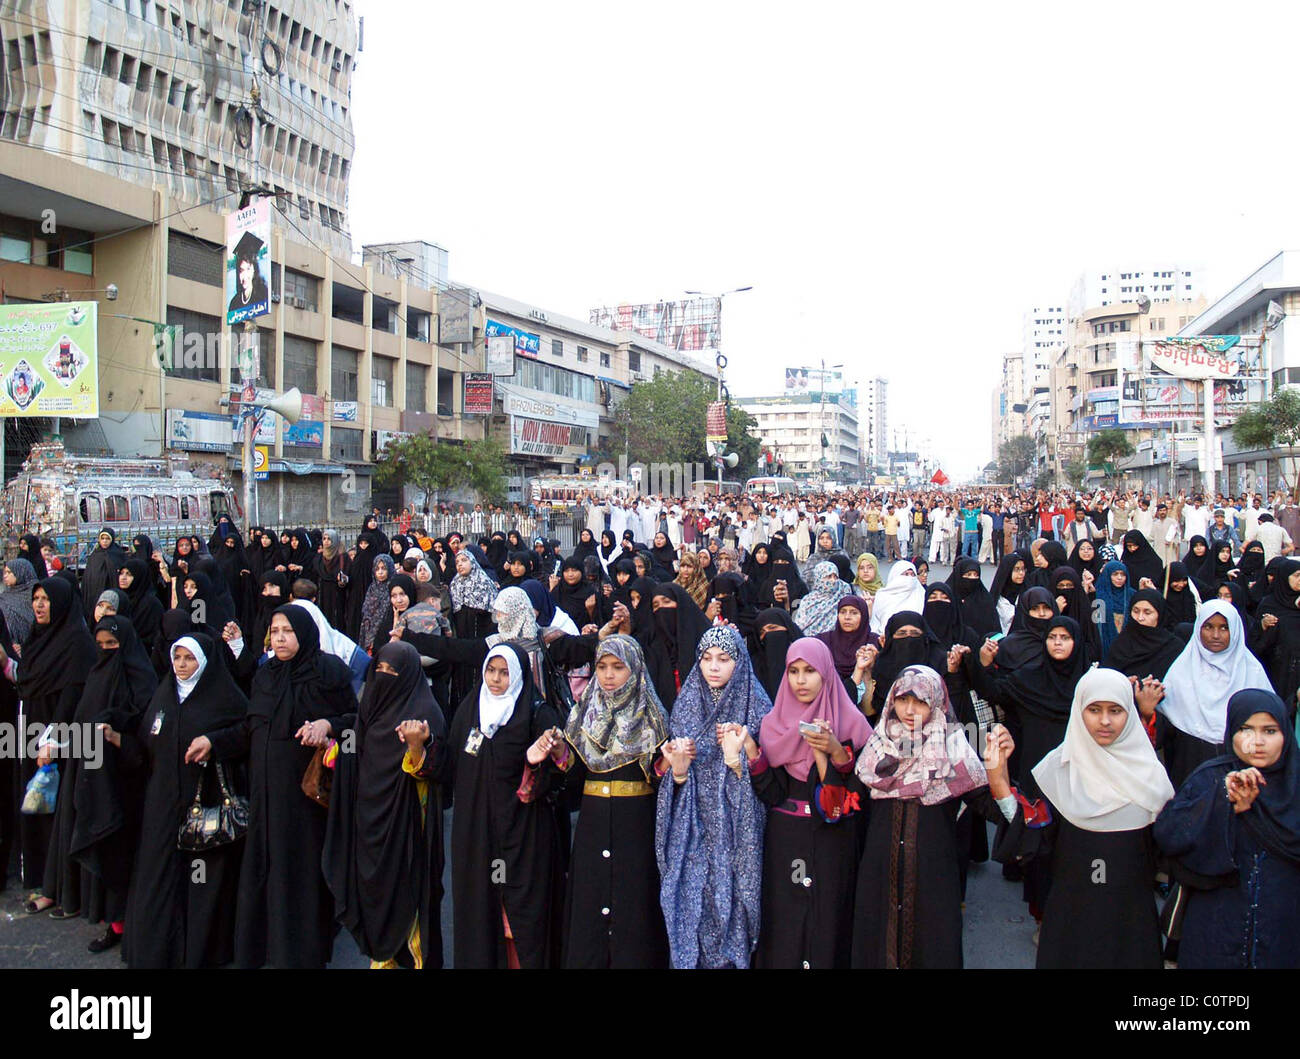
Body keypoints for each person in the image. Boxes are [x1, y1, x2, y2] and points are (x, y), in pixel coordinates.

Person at [993, 667, 1172, 968]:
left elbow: (1169, 850)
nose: (1104, 721)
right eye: (1094, 709)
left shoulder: (1151, 777)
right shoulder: (1057, 771)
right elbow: (1033, 842)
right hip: (1070, 921)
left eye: (1115, 710)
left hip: (1131, 924)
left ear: (1129, 712)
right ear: (1079, 711)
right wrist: (999, 780)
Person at [846, 666, 1012, 967]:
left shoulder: (954, 751)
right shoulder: (876, 749)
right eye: (902, 700)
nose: (910, 710)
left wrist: (999, 776)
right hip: (879, 872)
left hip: (934, 876)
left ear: (936, 703)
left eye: (920, 702)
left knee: (932, 944)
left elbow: (993, 809)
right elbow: (849, 805)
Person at [526, 635, 671, 968]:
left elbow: (659, 779)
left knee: (634, 911)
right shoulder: (583, 715)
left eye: (618, 667)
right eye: (602, 667)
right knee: (590, 911)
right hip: (591, 830)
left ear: (634, 670)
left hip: (635, 829)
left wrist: (669, 767)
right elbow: (574, 782)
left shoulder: (652, 718)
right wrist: (561, 754)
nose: (608, 675)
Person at [230, 605, 359, 968]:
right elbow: (249, 727)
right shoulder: (265, 675)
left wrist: (329, 726)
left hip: (304, 802)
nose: (280, 638)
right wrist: (214, 741)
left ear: (304, 632)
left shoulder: (328, 672)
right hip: (265, 795)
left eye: (288, 630)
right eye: (275, 630)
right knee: (264, 868)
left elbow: (357, 725)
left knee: (301, 873)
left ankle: (304, 953)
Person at [121, 634, 249, 968]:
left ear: (203, 662)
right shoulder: (164, 694)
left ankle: (199, 951)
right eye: (176, 657)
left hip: (202, 804)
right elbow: (146, 743)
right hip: (162, 803)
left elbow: (245, 733)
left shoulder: (222, 696)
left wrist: (214, 742)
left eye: (188, 659)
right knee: (158, 874)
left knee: (202, 879)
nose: (181, 665)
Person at [749, 637, 873, 968]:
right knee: (790, 909)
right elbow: (772, 793)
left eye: (810, 671)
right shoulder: (773, 726)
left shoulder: (852, 723)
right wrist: (752, 756)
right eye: (794, 671)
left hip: (833, 841)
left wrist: (836, 752)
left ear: (827, 674)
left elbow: (862, 789)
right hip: (788, 842)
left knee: (828, 913)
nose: (801, 681)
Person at [1154, 689, 1300, 968]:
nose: (1257, 742)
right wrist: (1223, 801)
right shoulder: (1211, 777)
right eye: (1246, 729)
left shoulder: (1295, 783)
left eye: (1269, 731)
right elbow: (1169, 836)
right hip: (1216, 926)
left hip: (1285, 927)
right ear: (1231, 730)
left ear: (1286, 733)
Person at [323, 641, 447, 968]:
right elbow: (358, 747)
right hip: (370, 828)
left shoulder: (425, 713)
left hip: (406, 834)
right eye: (379, 670)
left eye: (393, 672)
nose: (384, 676)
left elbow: (439, 770)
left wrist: (417, 748)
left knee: (409, 914)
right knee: (376, 906)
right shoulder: (372, 710)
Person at [656, 625, 771, 969]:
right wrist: (678, 769)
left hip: (738, 833)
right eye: (706, 659)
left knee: (736, 903)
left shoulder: (758, 708)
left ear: (739, 662)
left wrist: (741, 757)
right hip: (693, 833)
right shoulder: (686, 707)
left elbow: (768, 781)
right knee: (694, 904)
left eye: (724, 659)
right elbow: (670, 780)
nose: (714, 667)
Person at [447, 644, 564, 968]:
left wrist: (536, 761)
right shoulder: (471, 708)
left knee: (522, 917)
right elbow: (449, 764)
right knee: (480, 914)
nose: (496, 679)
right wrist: (421, 747)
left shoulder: (537, 713)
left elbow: (558, 780)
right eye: (491, 670)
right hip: (476, 836)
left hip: (523, 836)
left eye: (504, 672)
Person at [2, 578, 97, 908]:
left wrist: (53, 740)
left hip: (56, 742)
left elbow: (73, 697)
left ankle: (55, 887)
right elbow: (29, 681)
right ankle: (39, 877)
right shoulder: (38, 638)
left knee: (53, 812)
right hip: (28, 734)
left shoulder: (77, 642)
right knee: (33, 803)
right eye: (36, 599)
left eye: (46, 599)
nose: (39, 605)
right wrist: (8, 666)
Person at [1151, 600, 1273, 792]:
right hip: (1190, 766)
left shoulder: (1251, 672)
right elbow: (1165, 730)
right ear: (1198, 628)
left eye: (1224, 627)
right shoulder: (1182, 671)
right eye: (1208, 627)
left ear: (1235, 630)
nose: (1215, 635)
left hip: (1240, 769)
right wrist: (1146, 708)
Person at [1251, 558, 1300, 708]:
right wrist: (1262, 625)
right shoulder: (1269, 603)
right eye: (1297, 575)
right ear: (1285, 577)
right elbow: (1255, 642)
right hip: (1276, 671)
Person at [868, 560, 925, 635]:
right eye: (906, 574)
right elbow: (875, 623)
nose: (910, 578)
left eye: (912, 574)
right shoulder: (882, 596)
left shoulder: (921, 594)